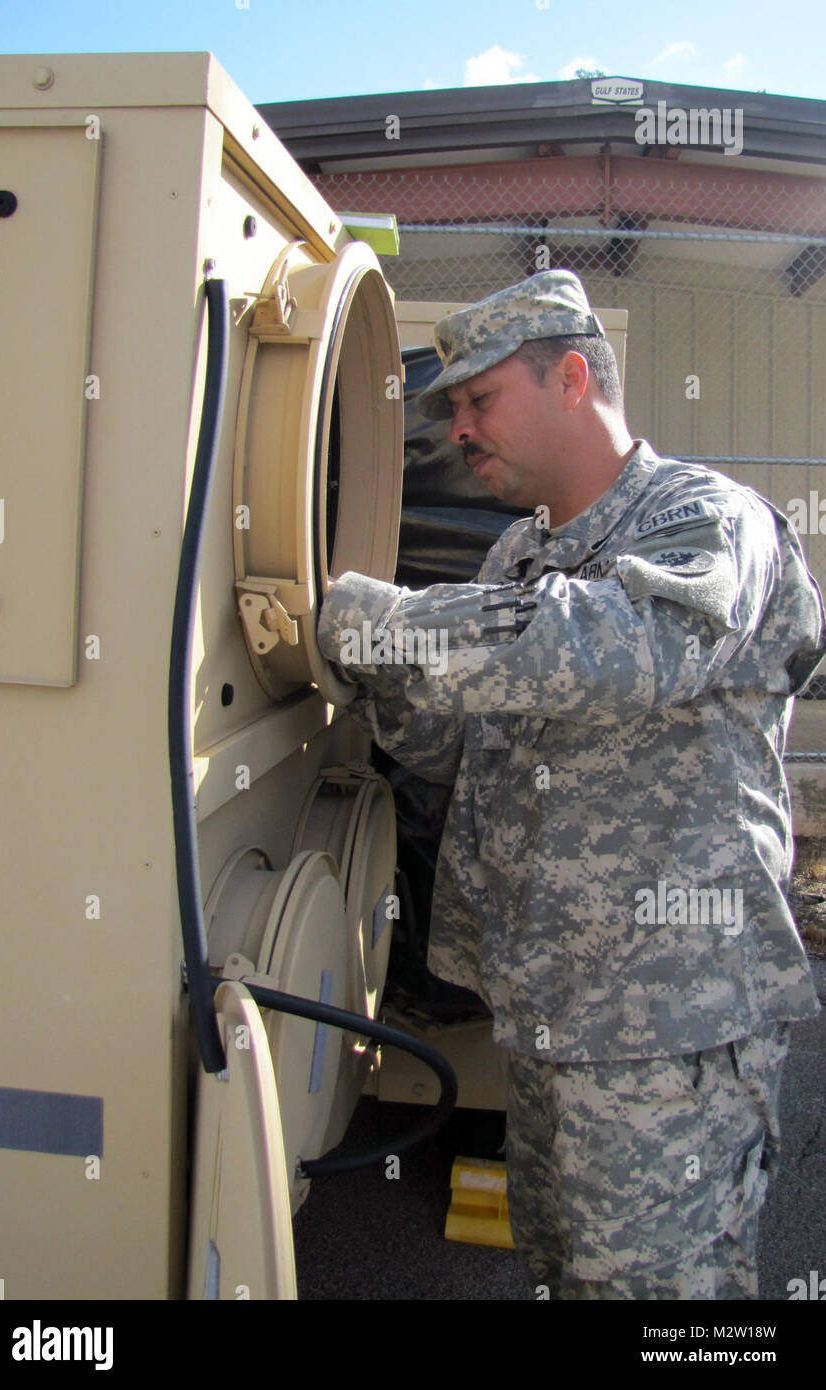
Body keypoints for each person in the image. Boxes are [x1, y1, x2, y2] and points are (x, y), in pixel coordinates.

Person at [317, 269, 825, 1299]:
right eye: (451, 407)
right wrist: (373, 685)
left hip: (668, 1026)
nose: (458, 427)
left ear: (573, 377)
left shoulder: (705, 518)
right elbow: (463, 748)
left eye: (479, 399)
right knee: (562, 1270)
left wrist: (383, 619)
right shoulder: (516, 554)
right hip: (548, 1008)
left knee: (665, 1294)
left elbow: (626, 648)